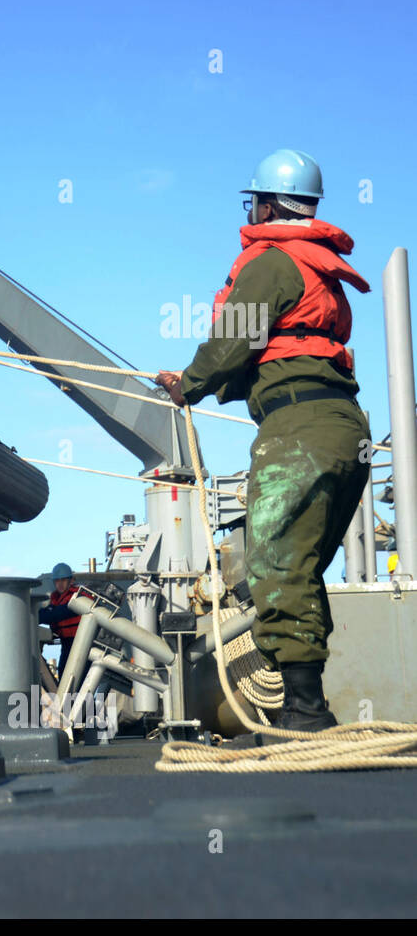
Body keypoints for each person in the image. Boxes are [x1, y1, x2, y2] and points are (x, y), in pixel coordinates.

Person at [155, 149, 371, 736]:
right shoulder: (315, 270)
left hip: (298, 431)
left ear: (268, 204)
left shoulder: (272, 263)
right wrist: (202, 382)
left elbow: (235, 339)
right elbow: (279, 348)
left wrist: (190, 385)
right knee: (297, 566)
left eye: (254, 200)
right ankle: (303, 704)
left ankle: (306, 710)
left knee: (276, 564)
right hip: (342, 427)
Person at [38, 562, 84, 680]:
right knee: (64, 674)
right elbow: (51, 613)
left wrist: (36, 616)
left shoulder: (78, 596)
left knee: (74, 677)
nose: (60, 584)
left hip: (80, 642)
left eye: (63, 580)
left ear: (71, 581)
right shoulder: (55, 598)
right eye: (57, 581)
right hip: (66, 642)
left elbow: (58, 613)